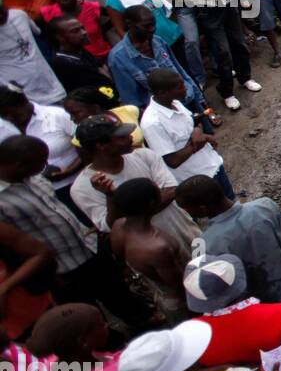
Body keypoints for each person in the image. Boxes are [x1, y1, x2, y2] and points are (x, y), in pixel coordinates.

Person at [0, 136, 151, 323]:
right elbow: (12, 248)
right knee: (85, 313)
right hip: (60, 269)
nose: (46, 165)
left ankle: (142, 323)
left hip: (88, 247)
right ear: (20, 165)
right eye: (41, 161)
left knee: (119, 295)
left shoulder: (34, 178)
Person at [175, 175, 281, 327]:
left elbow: (210, 289)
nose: (189, 214)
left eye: (188, 210)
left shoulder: (202, 244)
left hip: (256, 312)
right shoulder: (266, 205)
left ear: (203, 209)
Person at [69, 114, 199, 251]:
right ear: (101, 145)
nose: (131, 138)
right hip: (153, 256)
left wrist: (130, 216)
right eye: (121, 137)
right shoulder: (81, 188)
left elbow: (172, 190)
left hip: (188, 235)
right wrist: (110, 196)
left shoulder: (144, 155)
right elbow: (110, 225)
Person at [139, 70, 233, 197]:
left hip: (213, 164)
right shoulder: (152, 123)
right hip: (197, 180)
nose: (185, 89)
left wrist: (197, 131)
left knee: (231, 201)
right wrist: (200, 141)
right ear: (162, 92)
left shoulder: (175, 103)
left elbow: (193, 121)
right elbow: (173, 161)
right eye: (179, 87)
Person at [108, 178, 190, 320]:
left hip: (160, 294)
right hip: (181, 302)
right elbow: (179, 285)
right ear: (152, 203)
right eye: (158, 190)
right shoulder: (158, 247)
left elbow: (121, 258)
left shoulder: (118, 227)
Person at [105, 5, 204, 114]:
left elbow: (180, 71)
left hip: (188, 104)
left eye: (153, 25)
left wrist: (200, 99)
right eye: (146, 26)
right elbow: (132, 101)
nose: (152, 29)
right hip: (164, 117)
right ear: (129, 24)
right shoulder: (118, 59)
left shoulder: (158, 41)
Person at [0, 84, 80, 202]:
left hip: (76, 182)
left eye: (13, 113)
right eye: (4, 115)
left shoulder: (56, 115)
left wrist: (70, 170)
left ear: (24, 102)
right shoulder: (4, 129)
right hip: (43, 195)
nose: (10, 118)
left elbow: (89, 144)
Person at [0, 0, 65, 105]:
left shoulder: (20, 15)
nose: (0, 15)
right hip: (23, 98)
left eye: (1, 10)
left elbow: (38, 34)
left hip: (52, 87)